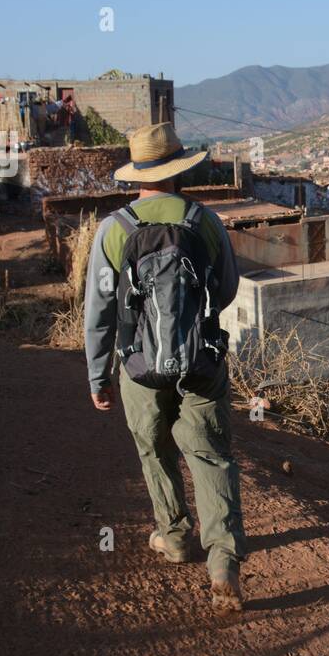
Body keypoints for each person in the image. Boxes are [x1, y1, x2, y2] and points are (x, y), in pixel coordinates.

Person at [83, 122, 246, 613]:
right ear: (179, 171)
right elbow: (227, 289)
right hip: (202, 361)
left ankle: (174, 536)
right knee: (210, 455)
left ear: (137, 174)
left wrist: (98, 376)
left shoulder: (114, 229)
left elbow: (99, 311)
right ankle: (223, 562)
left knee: (154, 448)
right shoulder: (205, 221)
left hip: (138, 366)